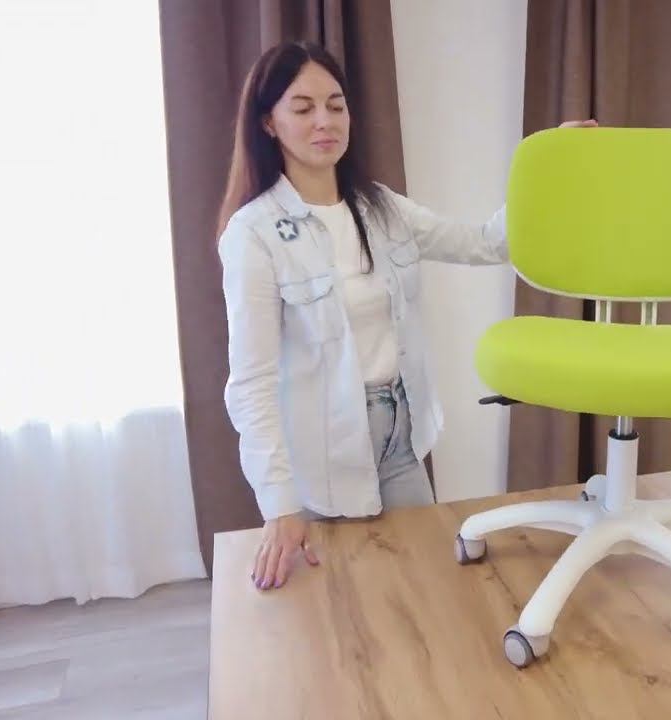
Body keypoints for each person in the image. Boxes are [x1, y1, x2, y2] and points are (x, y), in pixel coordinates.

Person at [216, 40, 594, 591]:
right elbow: (251, 382)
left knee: (423, 585)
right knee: (341, 601)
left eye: (336, 105)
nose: (325, 121)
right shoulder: (253, 234)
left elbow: (486, 243)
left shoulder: (381, 207)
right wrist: (279, 505)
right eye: (303, 108)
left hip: (401, 433)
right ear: (269, 123)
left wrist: (550, 170)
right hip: (323, 448)